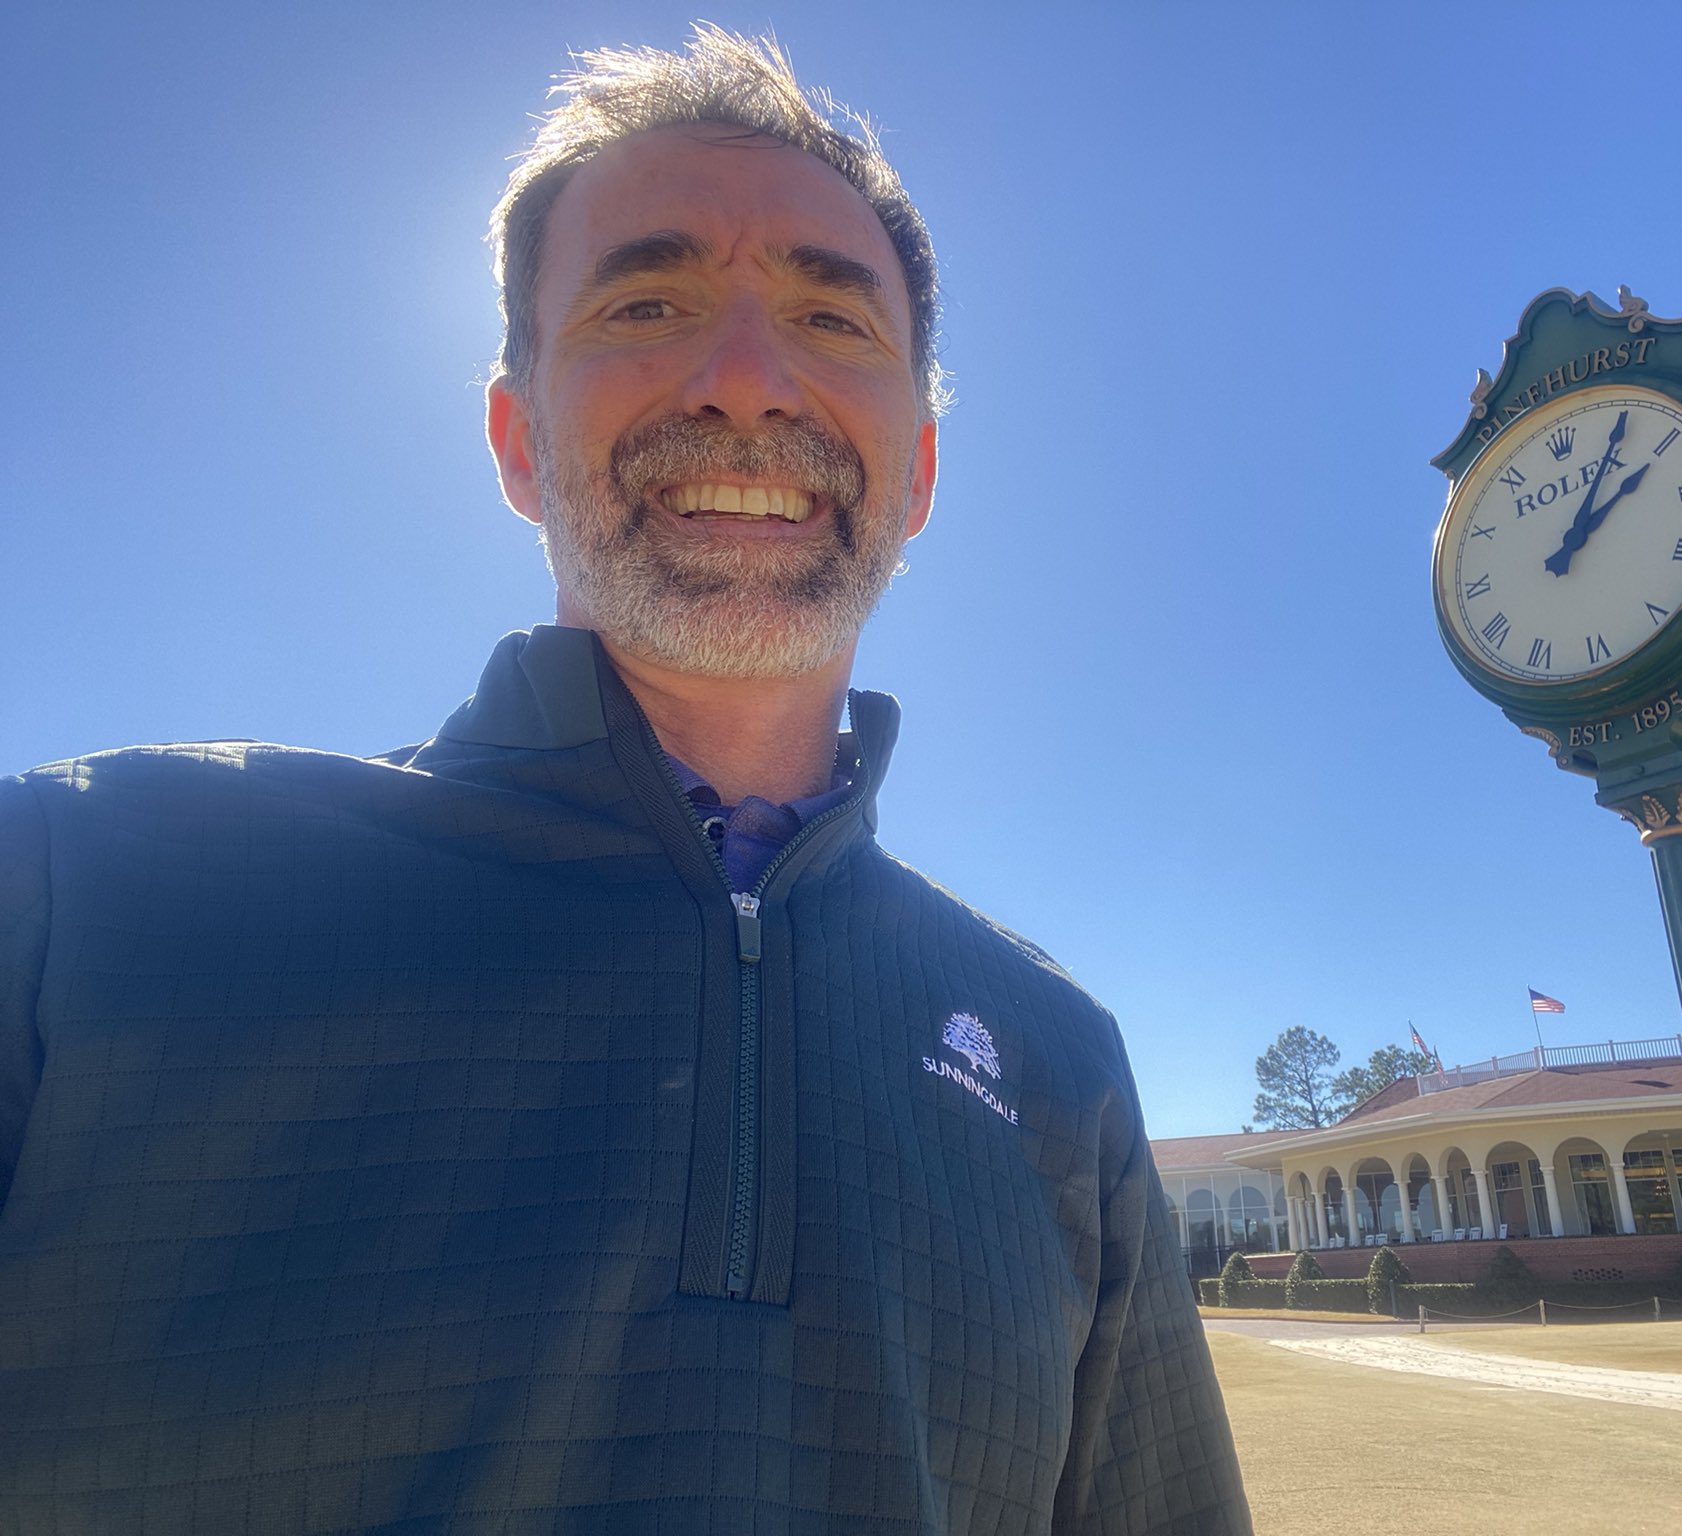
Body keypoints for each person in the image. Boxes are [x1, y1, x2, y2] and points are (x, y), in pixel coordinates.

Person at [0, 28, 1250, 1535]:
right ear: (517, 438)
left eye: (832, 317)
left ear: (919, 470)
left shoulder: (1059, 1067)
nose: (747, 382)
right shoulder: (78, 893)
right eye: (646, 302)